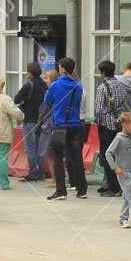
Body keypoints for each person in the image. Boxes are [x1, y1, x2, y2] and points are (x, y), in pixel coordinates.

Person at [43, 57, 88, 200]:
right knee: (77, 157)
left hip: (59, 125)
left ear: (62, 69)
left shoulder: (55, 85)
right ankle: (82, 190)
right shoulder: (78, 86)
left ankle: (61, 191)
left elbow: (47, 102)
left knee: (58, 157)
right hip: (74, 124)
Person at [104, 112, 131, 228]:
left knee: (127, 196)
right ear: (124, 125)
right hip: (124, 172)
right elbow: (108, 153)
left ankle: (123, 219)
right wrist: (115, 167)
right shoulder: (119, 138)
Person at [94, 60, 128, 197]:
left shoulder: (102, 87)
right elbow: (124, 102)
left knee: (107, 155)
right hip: (119, 124)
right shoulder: (121, 85)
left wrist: (97, 122)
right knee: (117, 155)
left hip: (106, 125)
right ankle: (117, 185)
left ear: (103, 72)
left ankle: (113, 188)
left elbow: (98, 110)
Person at [13, 63, 48, 182]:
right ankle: (41, 173)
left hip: (30, 119)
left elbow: (16, 99)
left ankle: (33, 173)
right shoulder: (44, 85)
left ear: (30, 73)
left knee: (31, 148)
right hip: (42, 120)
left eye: (27, 71)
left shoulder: (28, 85)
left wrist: (24, 100)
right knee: (40, 148)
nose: (26, 73)